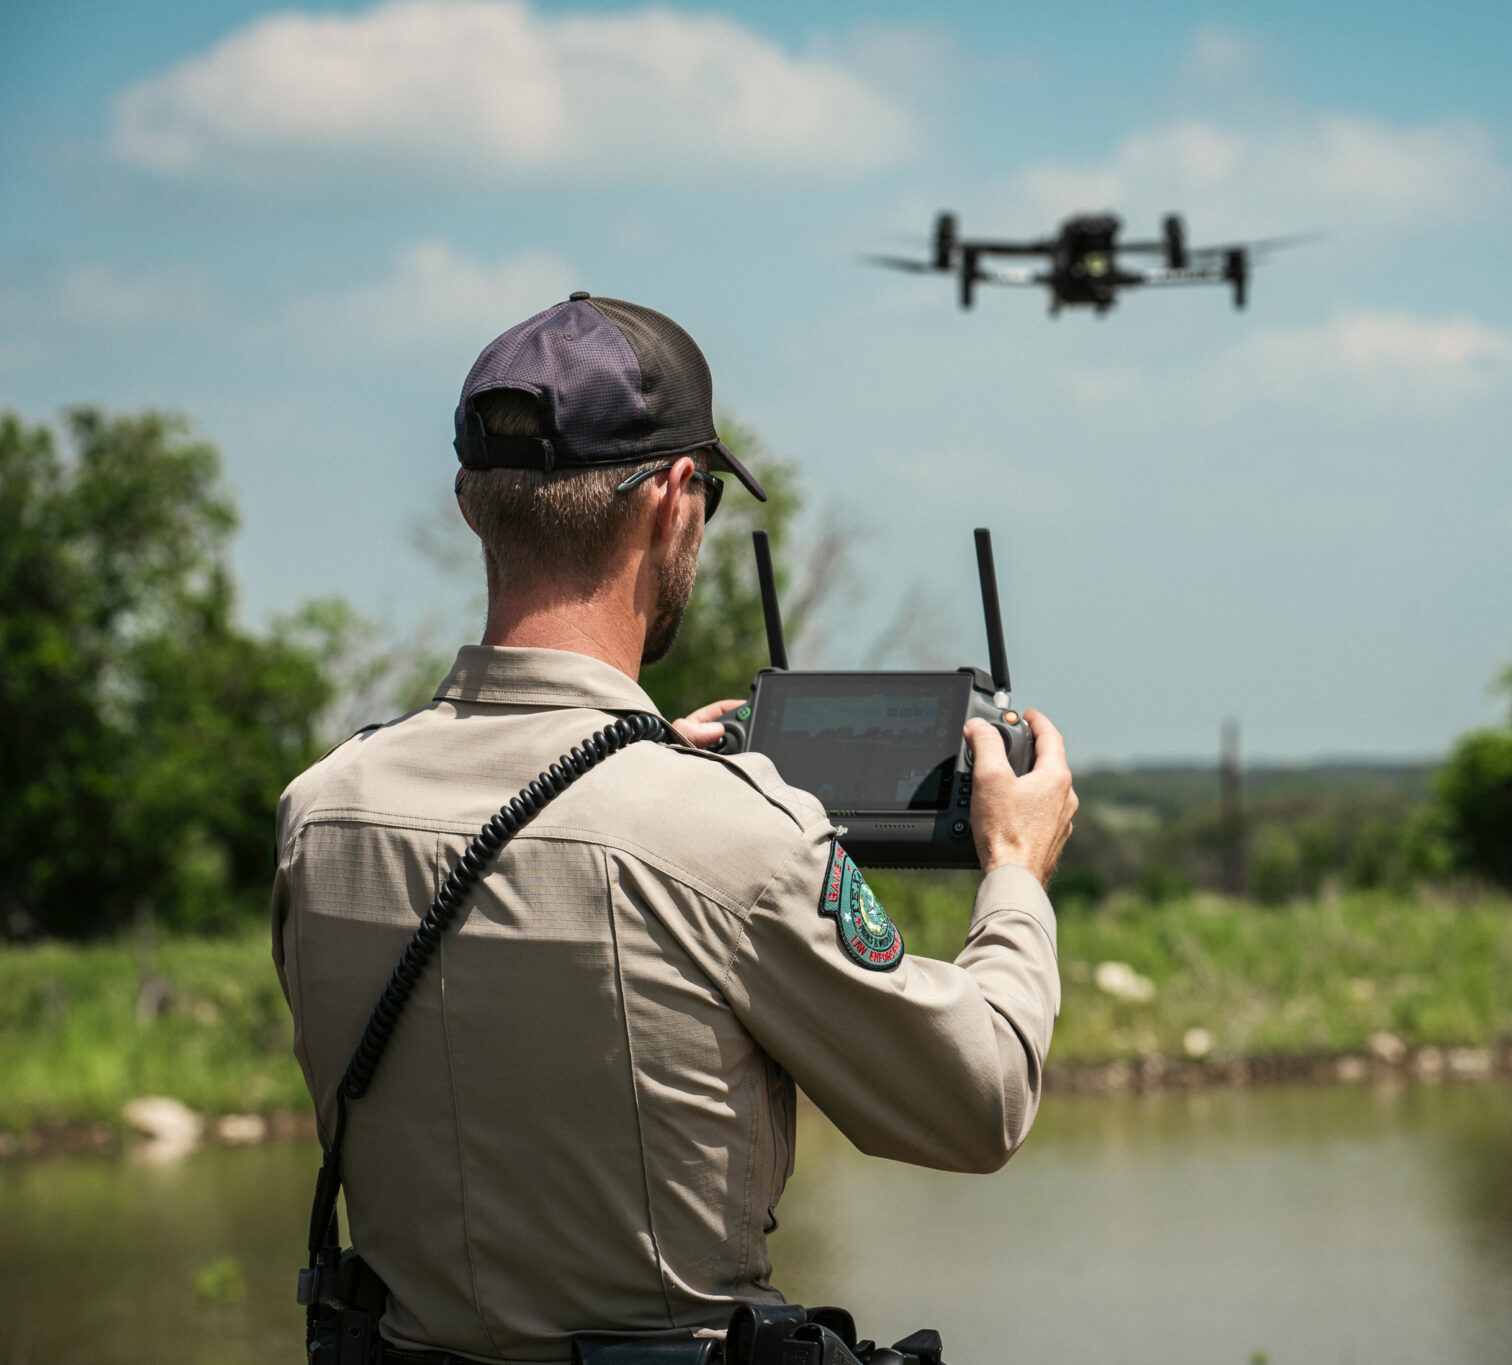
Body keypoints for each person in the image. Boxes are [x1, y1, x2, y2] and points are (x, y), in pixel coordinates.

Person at [271, 293, 1077, 1363]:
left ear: (471, 504)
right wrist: (1015, 870)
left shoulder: (322, 811)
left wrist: (643, 784)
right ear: (673, 500)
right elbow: (975, 1103)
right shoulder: (729, 836)